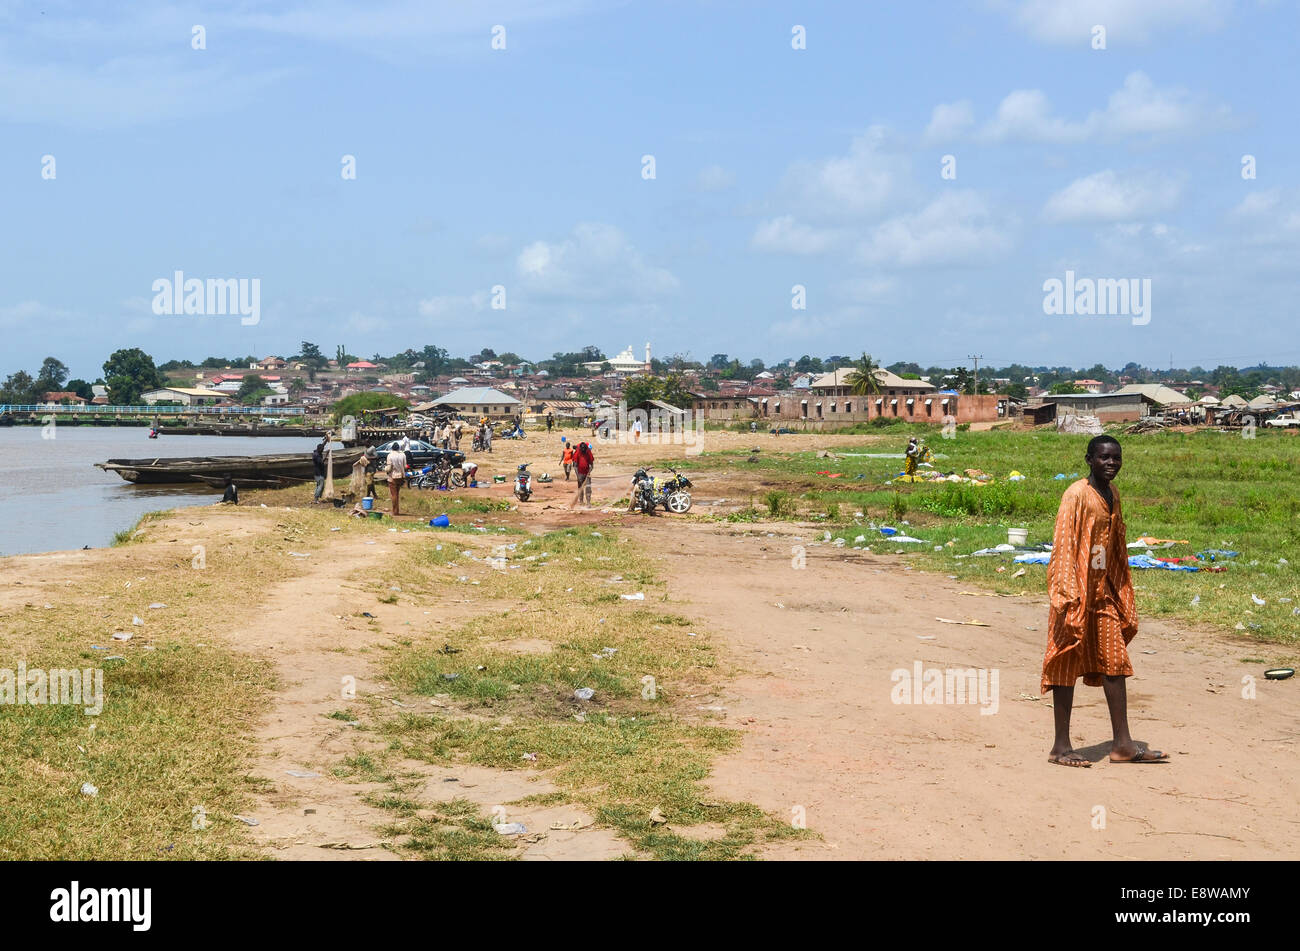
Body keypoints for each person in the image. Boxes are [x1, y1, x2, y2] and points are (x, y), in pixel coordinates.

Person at [1041, 435, 1168, 767]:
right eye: (1104, 458)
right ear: (1089, 460)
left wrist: (1117, 587)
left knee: (1115, 661)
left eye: (1116, 458)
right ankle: (1060, 747)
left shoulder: (1112, 494)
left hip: (1103, 590)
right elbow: (1065, 547)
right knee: (1066, 661)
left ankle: (1123, 744)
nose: (1111, 463)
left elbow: (1115, 545)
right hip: (1075, 591)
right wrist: (1068, 597)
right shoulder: (1076, 496)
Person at [568, 440, 595, 509]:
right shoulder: (577, 452)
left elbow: (591, 465)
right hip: (580, 473)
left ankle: (588, 502)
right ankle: (581, 501)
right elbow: (575, 466)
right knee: (580, 487)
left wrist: (589, 472)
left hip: (587, 473)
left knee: (588, 487)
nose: (583, 452)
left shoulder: (588, 452)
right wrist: (578, 476)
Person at [384, 443, 408, 516]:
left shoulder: (390, 455)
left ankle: (395, 511)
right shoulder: (403, 455)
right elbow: (405, 466)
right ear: (398, 448)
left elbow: (389, 468)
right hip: (401, 476)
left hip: (393, 477)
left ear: (392, 448)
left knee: (394, 495)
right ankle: (396, 510)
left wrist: (385, 469)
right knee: (397, 493)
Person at [311, 437, 328, 502]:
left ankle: (316, 498)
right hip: (319, 473)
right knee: (321, 486)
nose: (323, 450)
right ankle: (316, 499)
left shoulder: (317, 452)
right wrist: (326, 455)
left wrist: (326, 440)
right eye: (322, 449)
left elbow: (322, 445)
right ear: (320, 449)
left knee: (318, 485)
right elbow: (322, 462)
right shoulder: (317, 455)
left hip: (317, 473)